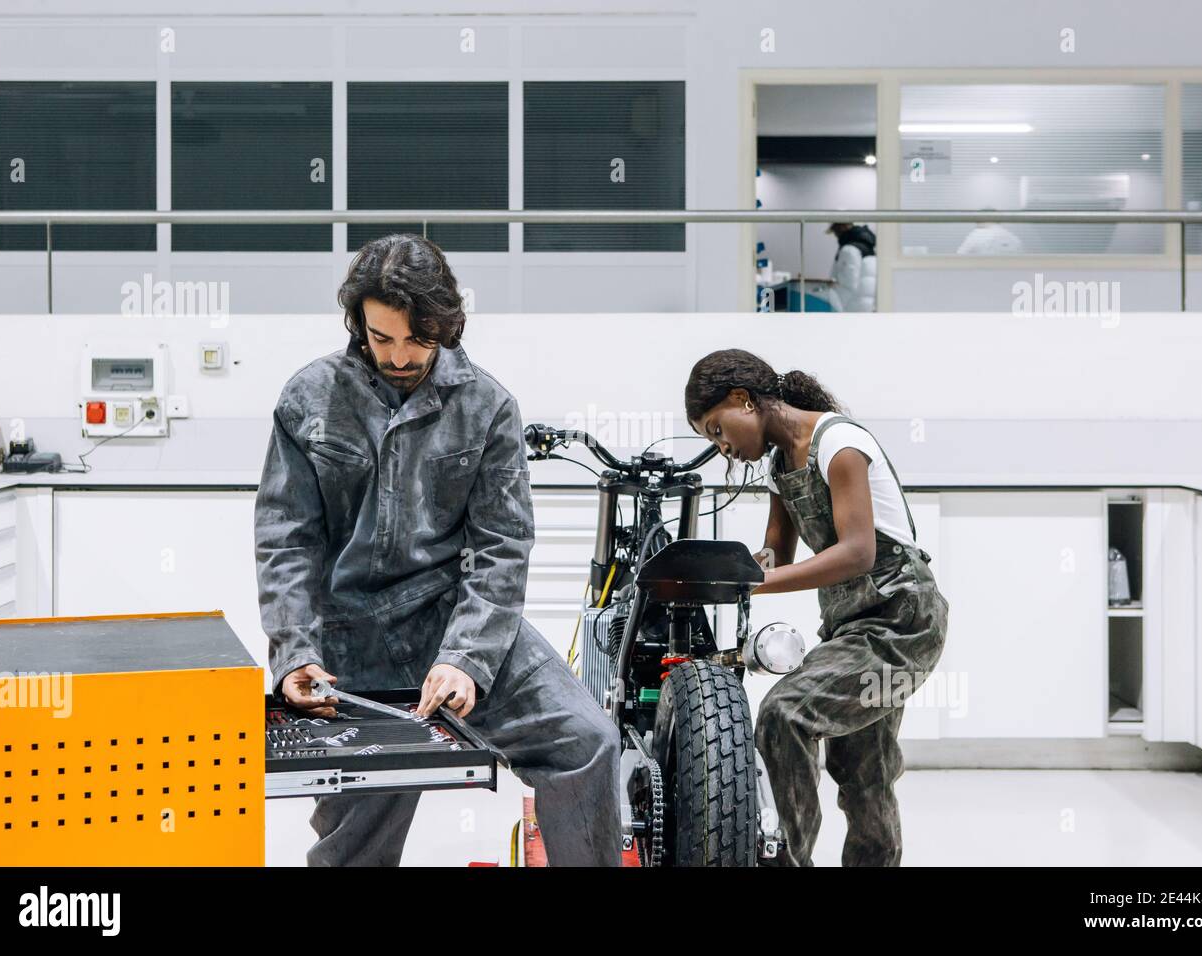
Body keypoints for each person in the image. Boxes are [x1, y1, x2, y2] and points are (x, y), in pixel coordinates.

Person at [254, 233, 621, 867]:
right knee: (359, 833)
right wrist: (294, 654)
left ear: (446, 326)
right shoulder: (308, 399)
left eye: (417, 340)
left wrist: (468, 659)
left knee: (585, 742)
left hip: (454, 619)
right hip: (349, 641)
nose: (398, 356)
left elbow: (501, 547)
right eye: (381, 337)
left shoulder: (487, 407)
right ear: (358, 323)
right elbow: (286, 539)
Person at [684, 348, 948, 866]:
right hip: (854, 629)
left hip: (902, 621)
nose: (722, 448)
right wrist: (726, 570)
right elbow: (774, 555)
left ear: (744, 400)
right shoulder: (782, 464)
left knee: (785, 714)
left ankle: (784, 860)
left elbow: (857, 553)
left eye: (717, 429)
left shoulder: (839, 443)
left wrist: (757, 583)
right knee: (863, 771)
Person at [826, 222, 878, 312]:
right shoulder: (868, 247)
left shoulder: (849, 250)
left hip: (853, 307)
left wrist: (832, 285)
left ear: (841, 228)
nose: (835, 235)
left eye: (835, 231)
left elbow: (849, 283)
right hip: (867, 305)